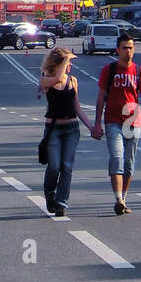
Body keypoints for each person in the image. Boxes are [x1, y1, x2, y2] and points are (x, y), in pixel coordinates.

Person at [92, 33, 141, 215]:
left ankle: (124, 198)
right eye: (125, 48)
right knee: (117, 158)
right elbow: (100, 98)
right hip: (113, 122)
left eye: (131, 48)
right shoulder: (109, 70)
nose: (129, 51)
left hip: (134, 123)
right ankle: (118, 198)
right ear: (118, 49)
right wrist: (97, 124)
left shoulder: (138, 71)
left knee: (129, 163)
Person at [37, 47, 96, 217]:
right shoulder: (46, 79)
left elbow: (77, 107)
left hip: (71, 129)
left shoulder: (73, 81)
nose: (70, 66)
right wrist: (65, 59)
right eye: (68, 62)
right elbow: (56, 79)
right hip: (53, 130)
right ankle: (49, 193)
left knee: (67, 167)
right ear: (59, 63)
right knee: (54, 166)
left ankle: (62, 203)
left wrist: (91, 127)